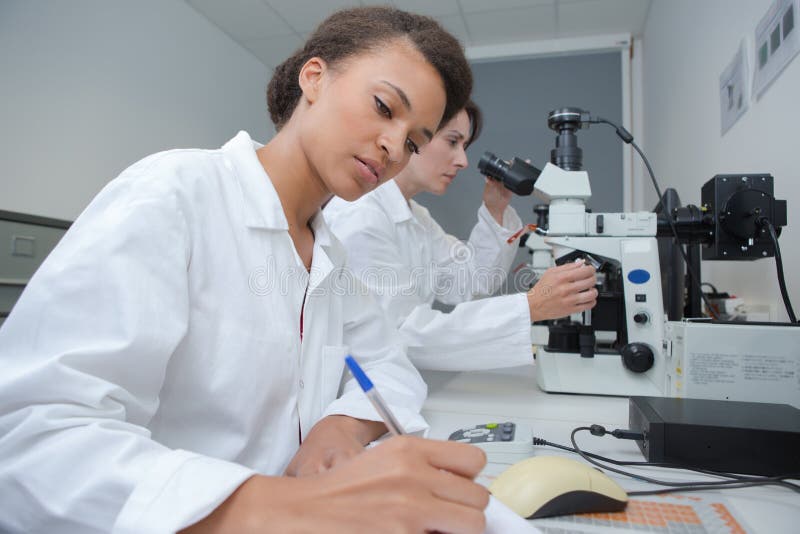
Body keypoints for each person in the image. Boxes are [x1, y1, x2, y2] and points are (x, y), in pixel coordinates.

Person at [0, 7, 490, 534]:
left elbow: (388, 367)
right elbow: (31, 441)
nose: (395, 147)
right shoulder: (176, 193)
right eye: (383, 106)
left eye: (415, 141)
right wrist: (281, 508)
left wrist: (340, 428)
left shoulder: (329, 255)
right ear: (315, 78)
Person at [325, 101, 598, 371]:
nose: (463, 161)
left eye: (464, 147)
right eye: (452, 142)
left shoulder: (416, 217)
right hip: (356, 396)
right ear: (412, 136)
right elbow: (402, 332)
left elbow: (468, 281)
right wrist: (530, 307)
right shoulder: (360, 217)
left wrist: (495, 209)